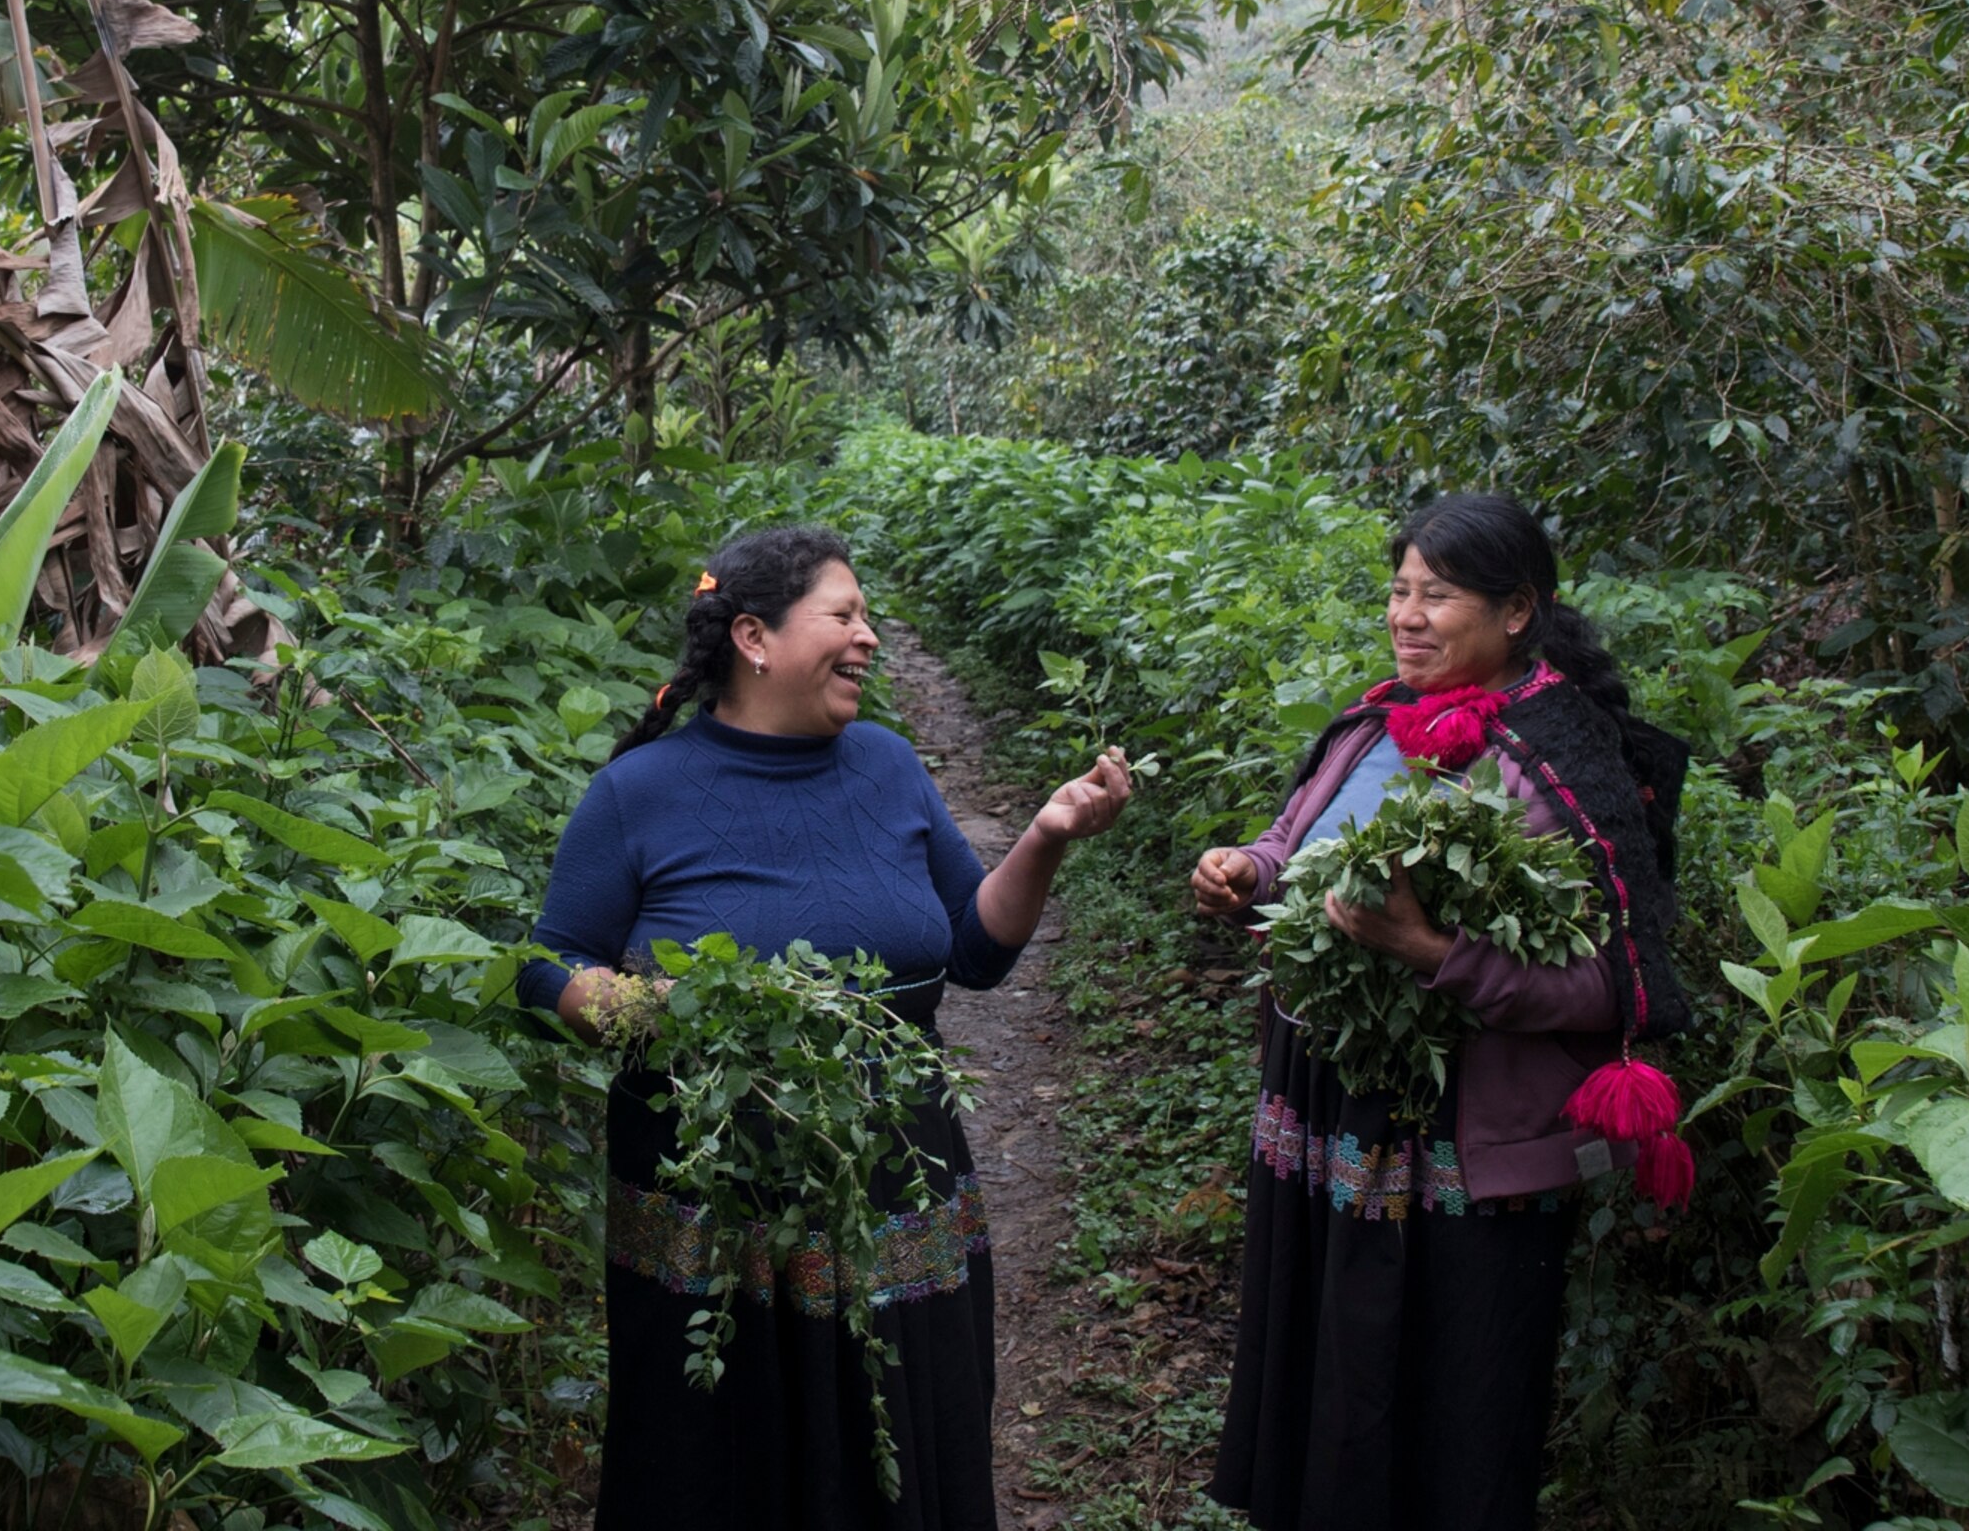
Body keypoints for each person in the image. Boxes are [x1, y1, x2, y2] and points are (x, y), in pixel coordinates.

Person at [518, 524, 1133, 1531]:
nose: (870, 635)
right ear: (756, 636)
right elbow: (543, 967)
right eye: (844, 615)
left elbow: (975, 951)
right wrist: (633, 1008)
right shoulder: (641, 792)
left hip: (895, 1174)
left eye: (867, 615)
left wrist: (1047, 835)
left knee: (898, 1432)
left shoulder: (886, 766)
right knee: (725, 1452)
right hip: (714, 1189)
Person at [1193, 493, 1694, 1531]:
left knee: (1459, 1401)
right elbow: (1297, 840)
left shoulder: (1560, 760)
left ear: (1517, 611)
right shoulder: (1376, 721)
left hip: (1466, 1143)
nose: (1407, 615)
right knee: (1337, 1364)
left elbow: (1611, 983)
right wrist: (1250, 866)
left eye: (1437, 594)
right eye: (1398, 590)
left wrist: (1432, 953)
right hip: (1333, 1106)